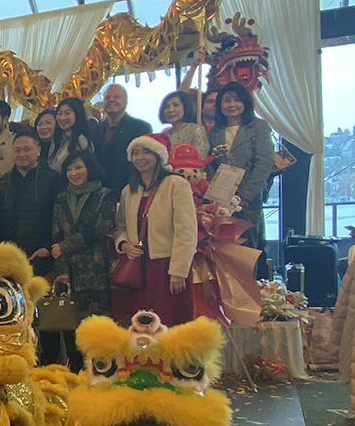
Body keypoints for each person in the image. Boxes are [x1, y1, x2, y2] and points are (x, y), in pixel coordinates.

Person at [111, 135, 198, 327]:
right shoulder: (128, 190)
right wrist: (124, 245)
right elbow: (120, 227)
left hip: (166, 266)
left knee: (168, 322)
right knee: (139, 324)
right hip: (137, 268)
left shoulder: (176, 184)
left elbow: (187, 231)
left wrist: (179, 270)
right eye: (135, 153)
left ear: (158, 155)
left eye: (146, 151)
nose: (140, 157)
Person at [48, 150, 116, 370]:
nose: (73, 173)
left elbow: (99, 230)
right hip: (68, 274)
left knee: (96, 332)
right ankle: (73, 379)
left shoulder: (105, 195)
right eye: (69, 169)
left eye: (78, 167)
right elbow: (56, 237)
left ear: (89, 168)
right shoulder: (61, 198)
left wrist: (65, 247)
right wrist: (61, 270)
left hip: (95, 272)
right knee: (70, 329)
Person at [205, 80, 275, 252]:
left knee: (248, 250)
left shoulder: (258, 127)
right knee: (222, 251)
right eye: (227, 100)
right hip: (220, 202)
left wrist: (244, 196)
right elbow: (210, 165)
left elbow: (264, 163)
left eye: (237, 100)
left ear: (246, 102)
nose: (232, 105)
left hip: (248, 202)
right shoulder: (214, 133)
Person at [0, 133, 67, 278]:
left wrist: (47, 247)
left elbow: (61, 218)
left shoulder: (53, 179)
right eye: (17, 150)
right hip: (8, 256)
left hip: (40, 256)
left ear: (38, 150)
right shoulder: (4, 181)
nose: (22, 154)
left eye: (27, 149)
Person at [93, 84, 152, 197]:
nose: (112, 100)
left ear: (125, 101)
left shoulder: (140, 127)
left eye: (116, 97)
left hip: (130, 191)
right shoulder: (94, 130)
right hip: (100, 194)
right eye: (107, 98)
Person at [49, 98, 95, 174]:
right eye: (59, 113)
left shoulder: (81, 140)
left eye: (67, 113)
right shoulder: (58, 138)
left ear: (77, 115)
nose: (62, 118)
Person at [159, 90, 209, 156]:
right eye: (166, 107)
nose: (170, 110)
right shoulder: (164, 135)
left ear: (185, 106)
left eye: (176, 105)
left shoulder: (195, 130)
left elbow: (200, 156)